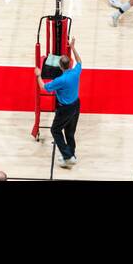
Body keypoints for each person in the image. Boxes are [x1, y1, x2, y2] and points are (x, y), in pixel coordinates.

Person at [37, 39, 82, 168]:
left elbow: (43, 88)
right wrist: (73, 48)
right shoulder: (76, 72)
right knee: (69, 132)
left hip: (65, 109)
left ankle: (67, 156)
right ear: (69, 64)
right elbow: (79, 61)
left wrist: (38, 75)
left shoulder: (60, 80)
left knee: (55, 130)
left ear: (60, 66)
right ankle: (71, 155)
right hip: (76, 105)